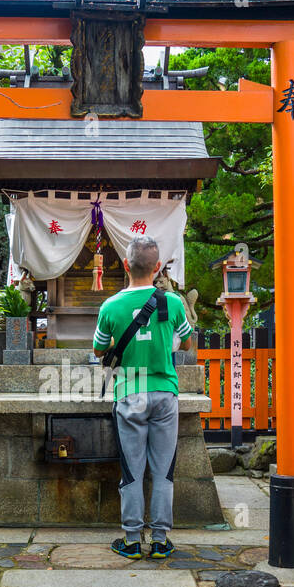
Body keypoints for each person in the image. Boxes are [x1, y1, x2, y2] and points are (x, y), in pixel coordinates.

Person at [93, 235, 193, 559]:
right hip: (165, 392)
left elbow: (98, 349)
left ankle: (133, 539)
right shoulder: (173, 303)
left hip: (130, 393)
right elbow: (187, 344)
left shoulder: (110, 306)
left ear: (126, 265)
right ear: (158, 267)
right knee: (163, 469)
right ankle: (161, 540)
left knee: (132, 469)